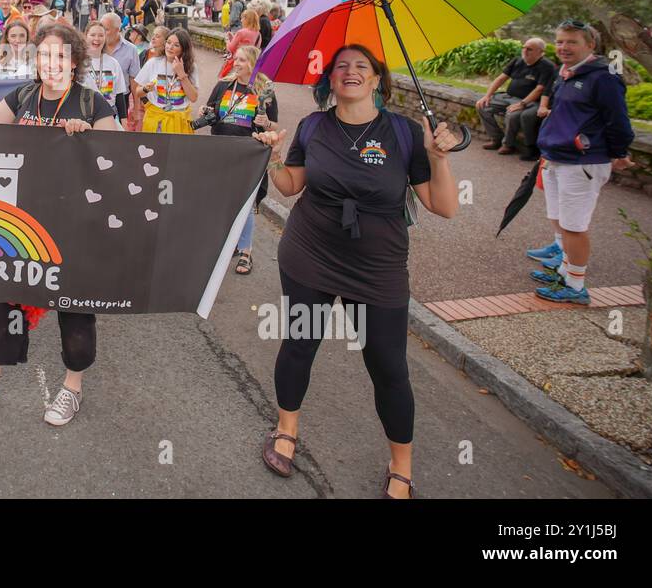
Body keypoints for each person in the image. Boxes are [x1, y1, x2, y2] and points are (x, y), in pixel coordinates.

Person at [255, 44, 460, 498]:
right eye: (341, 66)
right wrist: (270, 153)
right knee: (299, 344)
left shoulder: (404, 134)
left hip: (378, 269)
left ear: (376, 80)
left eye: (360, 66)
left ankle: (401, 465)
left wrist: (440, 157)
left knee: (387, 365)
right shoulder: (313, 127)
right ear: (330, 79)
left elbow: (443, 206)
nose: (349, 72)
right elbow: (290, 187)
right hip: (309, 256)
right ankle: (286, 429)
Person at [0, 23, 118, 428]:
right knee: (4, 302)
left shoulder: (92, 103)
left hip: (75, 226)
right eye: (45, 55)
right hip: (23, 224)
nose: (51, 64)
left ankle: (72, 389)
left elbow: (119, 159)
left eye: (61, 56)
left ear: (75, 62)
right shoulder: (24, 96)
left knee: (76, 310)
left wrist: (89, 140)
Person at [528, 21, 635, 305]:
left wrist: (620, 151)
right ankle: (564, 270)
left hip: (582, 162)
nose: (563, 47)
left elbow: (618, 120)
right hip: (557, 158)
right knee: (559, 218)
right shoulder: (566, 74)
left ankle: (575, 285)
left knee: (574, 225)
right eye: (560, 41)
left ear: (590, 45)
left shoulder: (603, 77)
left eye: (572, 42)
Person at [201, 45, 277, 274]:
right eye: (236, 58)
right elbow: (210, 110)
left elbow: (274, 125)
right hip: (221, 149)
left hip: (249, 151)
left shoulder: (264, 91)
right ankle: (228, 244)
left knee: (246, 202)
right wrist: (205, 112)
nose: (236, 62)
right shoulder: (224, 85)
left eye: (242, 60)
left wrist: (266, 124)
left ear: (253, 64)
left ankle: (246, 252)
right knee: (222, 200)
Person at [475, 38, 555, 155]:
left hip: (528, 101)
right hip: (508, 96)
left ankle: (507, 145)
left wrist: (522, 104)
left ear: (540, 52)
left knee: (512, 115)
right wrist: (487, 96)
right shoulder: (518, 61)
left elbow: (540, 89)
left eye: (529, 49)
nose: (525, 51)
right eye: (524, 47)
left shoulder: (547, 66)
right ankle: (496, 139)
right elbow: (501, 78)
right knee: (482, 106)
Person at [134, 28, 200, 134]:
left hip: (179, 122)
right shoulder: (153, 63)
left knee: (178, 151)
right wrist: (146, 89)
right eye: (168, 42)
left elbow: (193, 97)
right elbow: (138, 92)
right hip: (156, 121)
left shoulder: (191, 67)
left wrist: (182, 74)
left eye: (176, 45)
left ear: (183, 49)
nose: (170, 47)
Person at [84, 20, 129, 121]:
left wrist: (124, 121)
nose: (97, 39)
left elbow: (119, 96)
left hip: (109, 116)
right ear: (85, 36)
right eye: (93, 35)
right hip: (84, 116)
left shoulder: (113, 63)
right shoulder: (78, 63)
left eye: (101, 35)